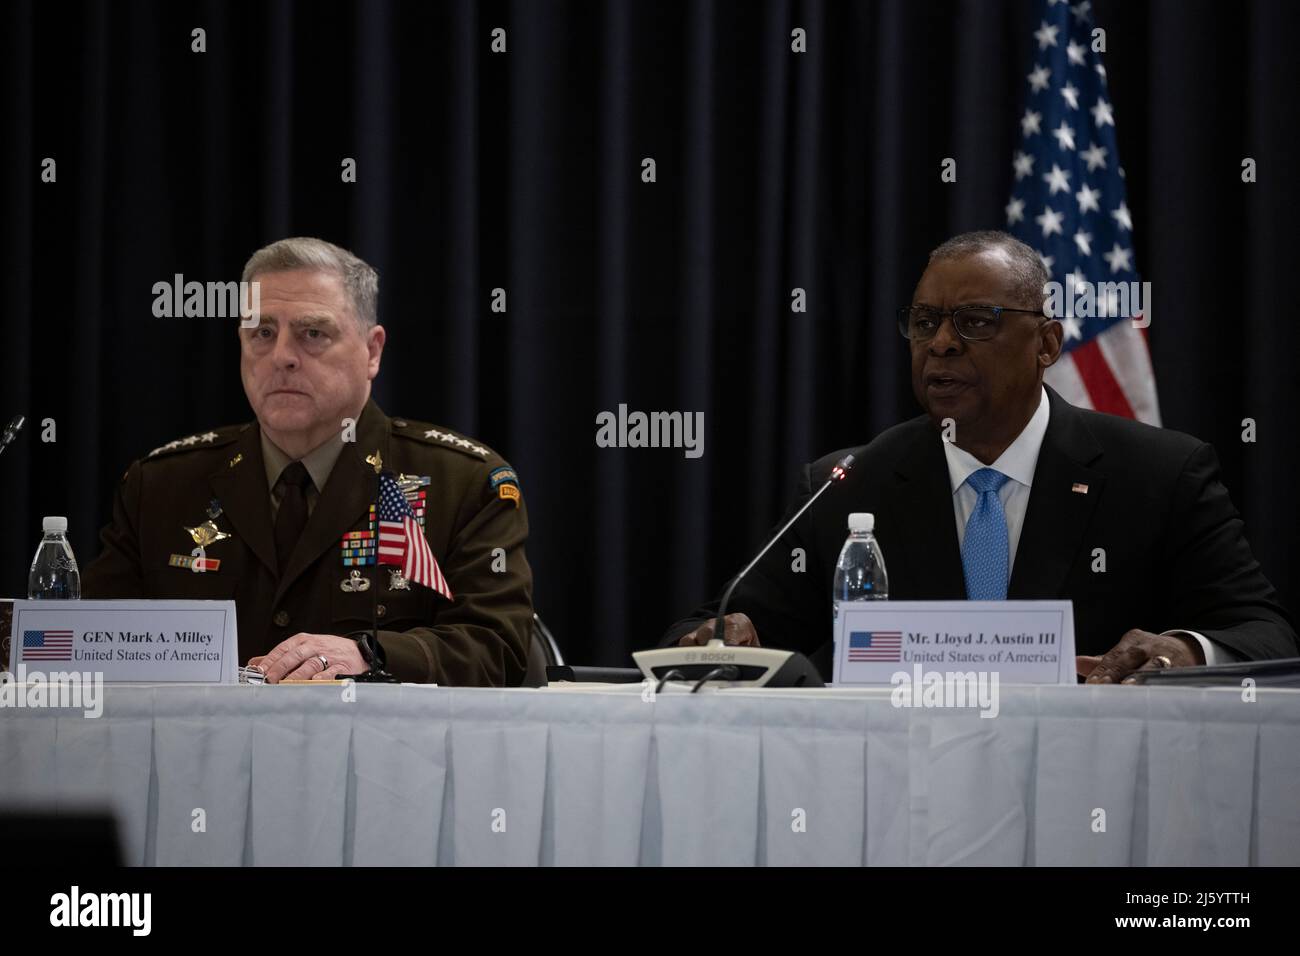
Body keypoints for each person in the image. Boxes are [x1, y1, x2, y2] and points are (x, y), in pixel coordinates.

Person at [663, 230, 1298, 683]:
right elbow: (710, 630)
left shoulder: (1159, 475)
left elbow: (1264, 633)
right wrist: (727, 639)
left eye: (976, 321)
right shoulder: (852, 481)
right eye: (924, 321)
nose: (940, 345)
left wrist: (1184, 650)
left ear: (1046, 343)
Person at [82, 237, 532, 685]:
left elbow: (499, 648)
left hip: (379, 751)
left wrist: (370, 655)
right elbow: (87, 646)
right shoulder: (161, 487)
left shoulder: (466, 485)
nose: (281, 357)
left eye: (312, 333)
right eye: (261, 333)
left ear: (372, 351)